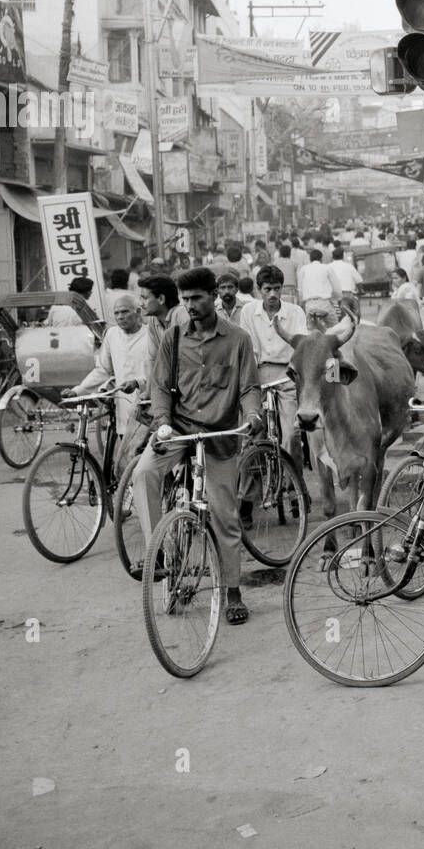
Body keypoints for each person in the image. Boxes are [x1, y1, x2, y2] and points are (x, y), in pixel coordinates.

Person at [134, 268, 264, 623]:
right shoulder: (173, 338)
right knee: (144, 473)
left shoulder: (238, 339)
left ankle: (233, 592)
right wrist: (161, 422)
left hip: (219, 436)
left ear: (214, 297)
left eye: (197, 298)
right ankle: (157, 551)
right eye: (186, 299)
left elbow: (250, 387)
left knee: (225, 515)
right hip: (178, 429)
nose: (190, 305)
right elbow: (160, 386)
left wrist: (253, 416)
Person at [238, 265, 307, 470]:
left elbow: (300, 345)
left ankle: (295, 485)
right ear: (259, 290)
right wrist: (250, 379)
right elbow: (249, 348)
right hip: (258, 374)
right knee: (251, 430)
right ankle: (251, 485)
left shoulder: (295, 312)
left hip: (287, 375)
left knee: (293, 433)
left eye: (277, 289)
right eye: (267, 289)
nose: (273, 294)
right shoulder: (249, 311)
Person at [69, 292, 148, 464]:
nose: (120, 317)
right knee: (126, 460)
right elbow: (103, 369)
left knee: (145, 460)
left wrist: (138, 382)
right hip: (122, 407)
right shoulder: (112, 334)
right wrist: (78, 390)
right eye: (117, 313)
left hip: (147, 407)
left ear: (138, 312)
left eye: (125, 312)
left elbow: (158, 373)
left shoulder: (151, 335)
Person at [328, 245, 363, 313]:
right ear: (343, 256)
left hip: (332, 296)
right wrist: (361, 291)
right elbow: (359, 281)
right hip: (347, 295)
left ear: (332, 257)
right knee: (356, 312)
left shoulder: (328, 267)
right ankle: (356, 321)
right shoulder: (349, 266)